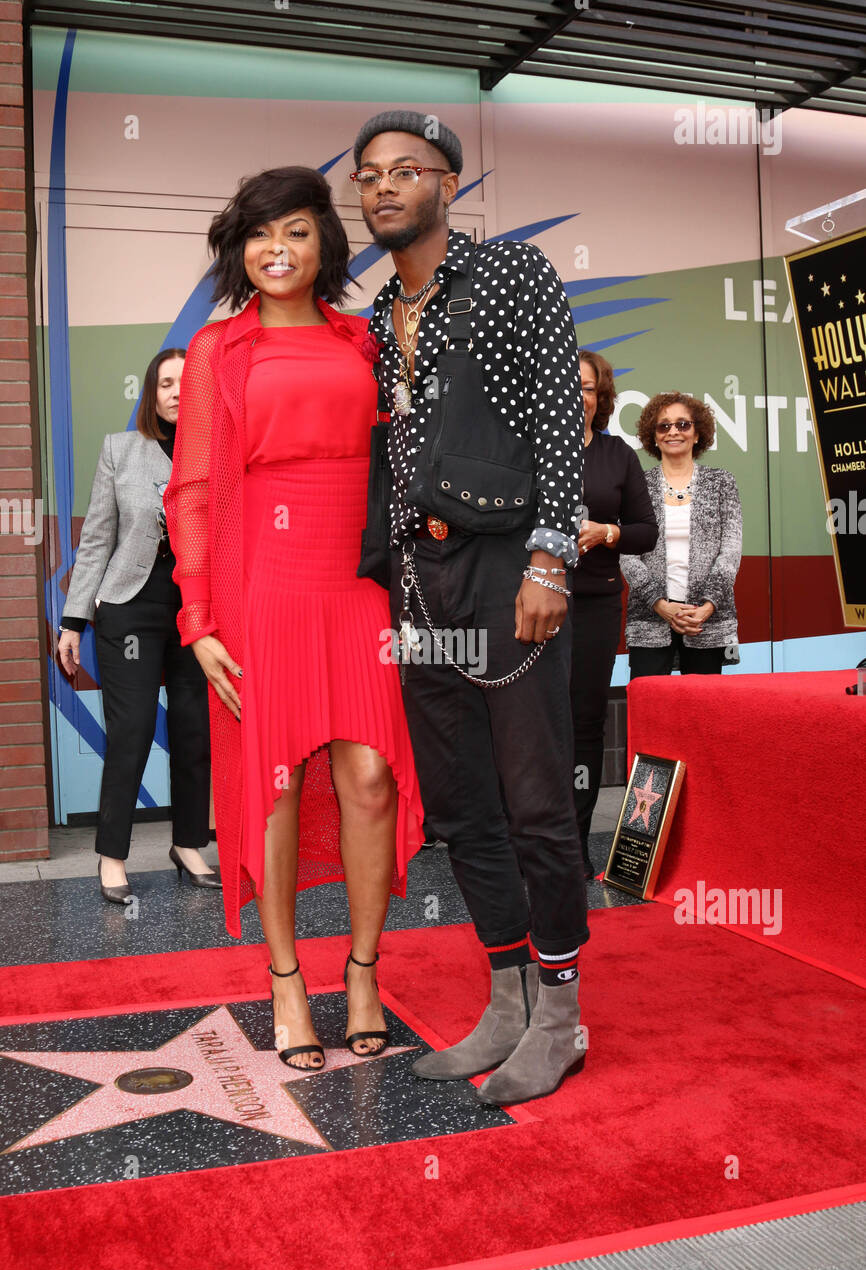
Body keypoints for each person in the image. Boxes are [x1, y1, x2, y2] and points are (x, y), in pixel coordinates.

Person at [164, 167, 424, 1072]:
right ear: (240, 249)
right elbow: (193, 490)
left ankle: (360, 971)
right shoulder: (217, 350)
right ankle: (284, 980)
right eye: (261, 234)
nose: (278, 249)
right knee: (272, 789)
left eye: (298, 232)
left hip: (357, 589)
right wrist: (198, 618)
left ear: (326, 246)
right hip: (262, 590)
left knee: (370, 781)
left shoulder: (363, 341)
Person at [352, 109, 587, 1106]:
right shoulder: (372, 316)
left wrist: (550, 557)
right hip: (419, 579)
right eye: (367, 175)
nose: (383, 188)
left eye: (407, 170)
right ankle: (504, 994)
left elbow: (553, 415)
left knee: (536, 799)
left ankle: (563, 1015)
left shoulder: (514, 274)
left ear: (449, 183)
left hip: (507, 569)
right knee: (458, 805)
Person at [58, 349, 217, 905]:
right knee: (130, 734)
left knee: (196, 733)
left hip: (199, 615)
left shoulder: (218, 455)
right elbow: (97, 539)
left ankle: (190, 844)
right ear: (151, 393)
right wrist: (73, 621)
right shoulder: (121, 451)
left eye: (187, 384)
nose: (177, 392)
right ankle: (112, 855)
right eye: (166, 383)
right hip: (130, 610)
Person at [571, 351, 657, 879]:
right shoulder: (528, 449)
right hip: (528, 600)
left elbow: (644, 531)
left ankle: (575, 846)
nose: (578, 395)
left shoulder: (616, 454)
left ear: (601, 399)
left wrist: (607, 532)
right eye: (569, 385)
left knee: (585, 723)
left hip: (597, 601)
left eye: (588, 388)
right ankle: (530, 842)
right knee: (531, 725)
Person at [620, 392, 742, 676]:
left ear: (698, 434)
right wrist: (660, 605)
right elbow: (628, 554)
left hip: (705, 621)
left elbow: (731, 552)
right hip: (649, 619)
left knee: (703, 712)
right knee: (650, 710)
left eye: (683, 424)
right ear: (653, 436)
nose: (673, 431)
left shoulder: (722, 482)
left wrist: (706, 607)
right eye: (664, 426)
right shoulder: (637, 484)